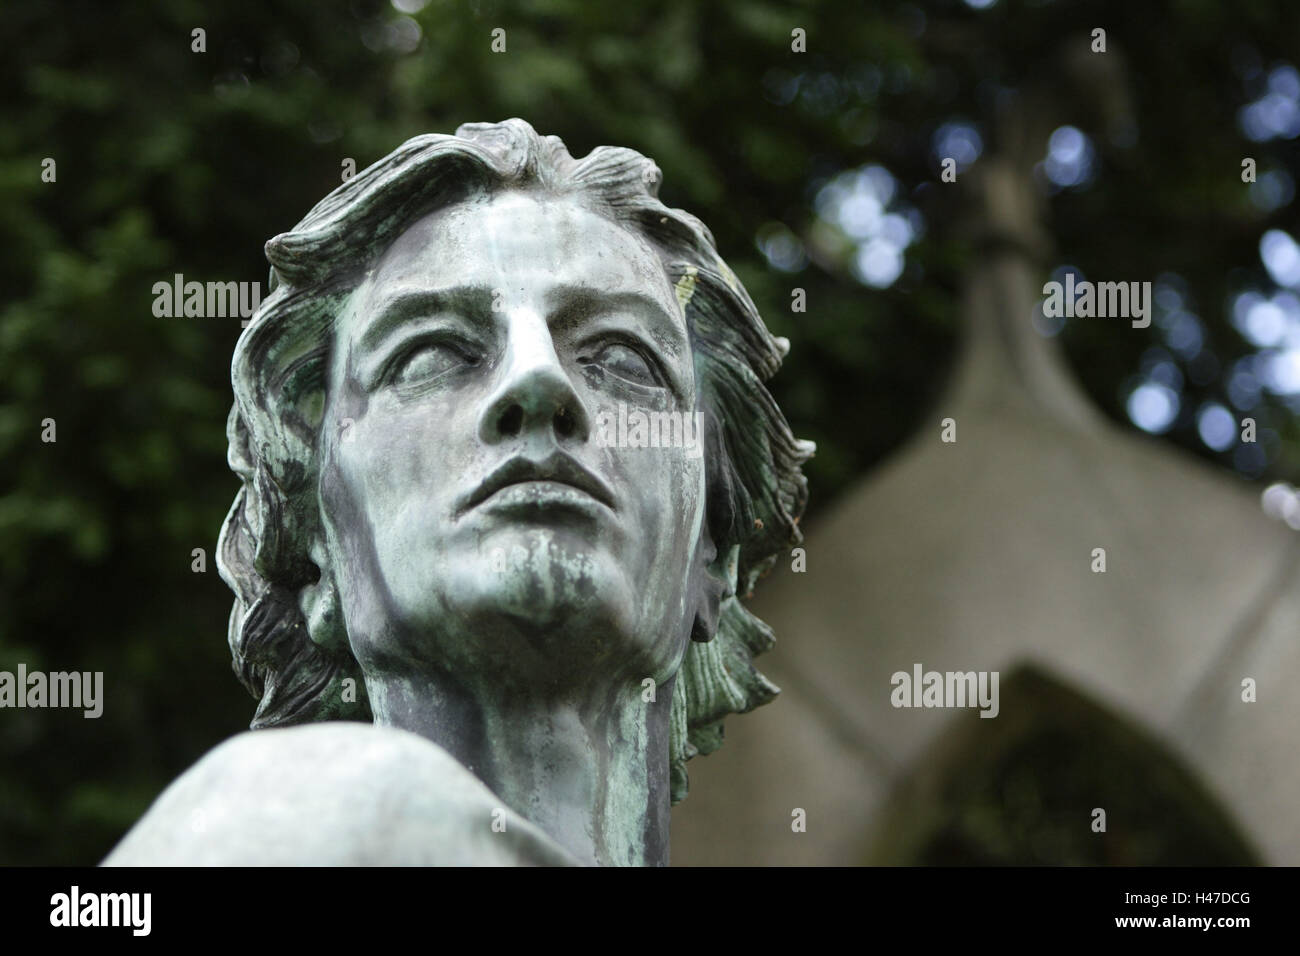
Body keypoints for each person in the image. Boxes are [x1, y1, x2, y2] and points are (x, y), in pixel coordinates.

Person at [105, 119, 812, 866]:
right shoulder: (264, 830)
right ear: (315, 550)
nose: (538, 379)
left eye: (622, 356)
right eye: (432, 352)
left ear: (714, 557)